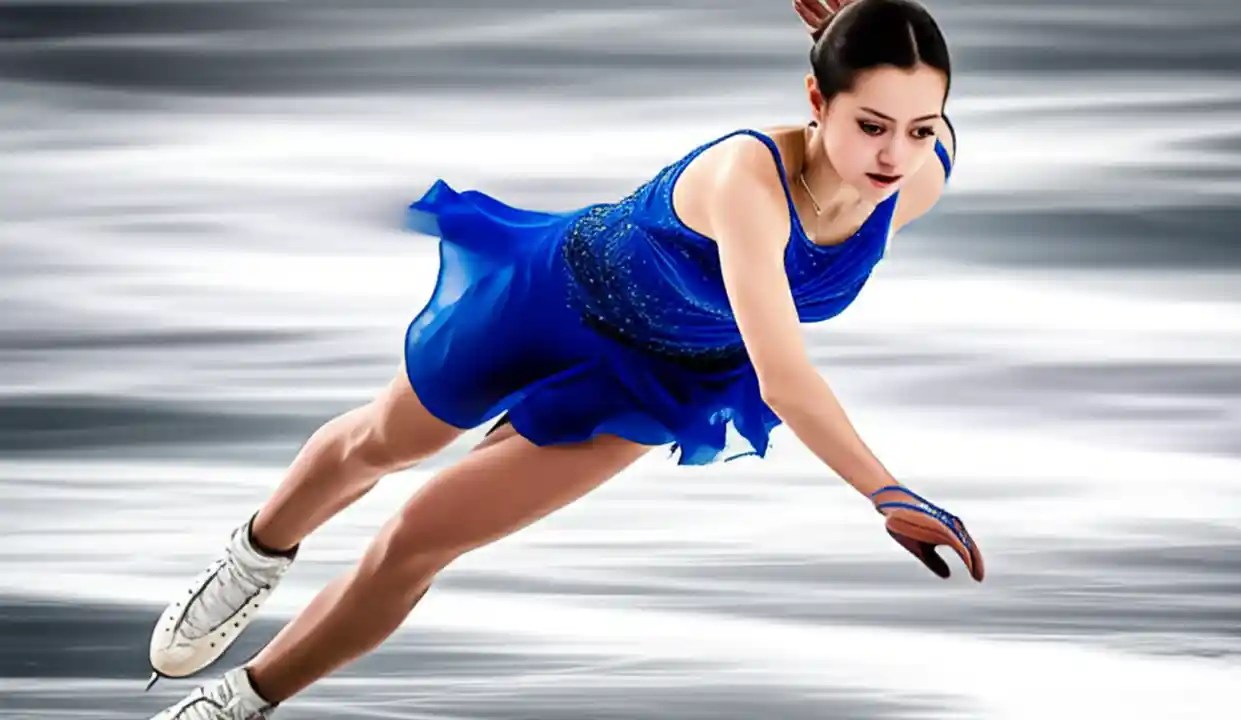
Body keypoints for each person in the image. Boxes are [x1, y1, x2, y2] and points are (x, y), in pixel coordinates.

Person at [144, 1, 984, 717]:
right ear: (816, 100)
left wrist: (863, 23)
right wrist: (885, 489)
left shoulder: (918, 179)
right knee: (385, 442)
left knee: (418, 539)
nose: (893, 155)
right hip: (551, 301)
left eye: (918, 129)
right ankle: (257, 551)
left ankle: (244, 699)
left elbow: (921, 125)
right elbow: (783, 375)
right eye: (870, 125)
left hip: (652, 384)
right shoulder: (747, 180)